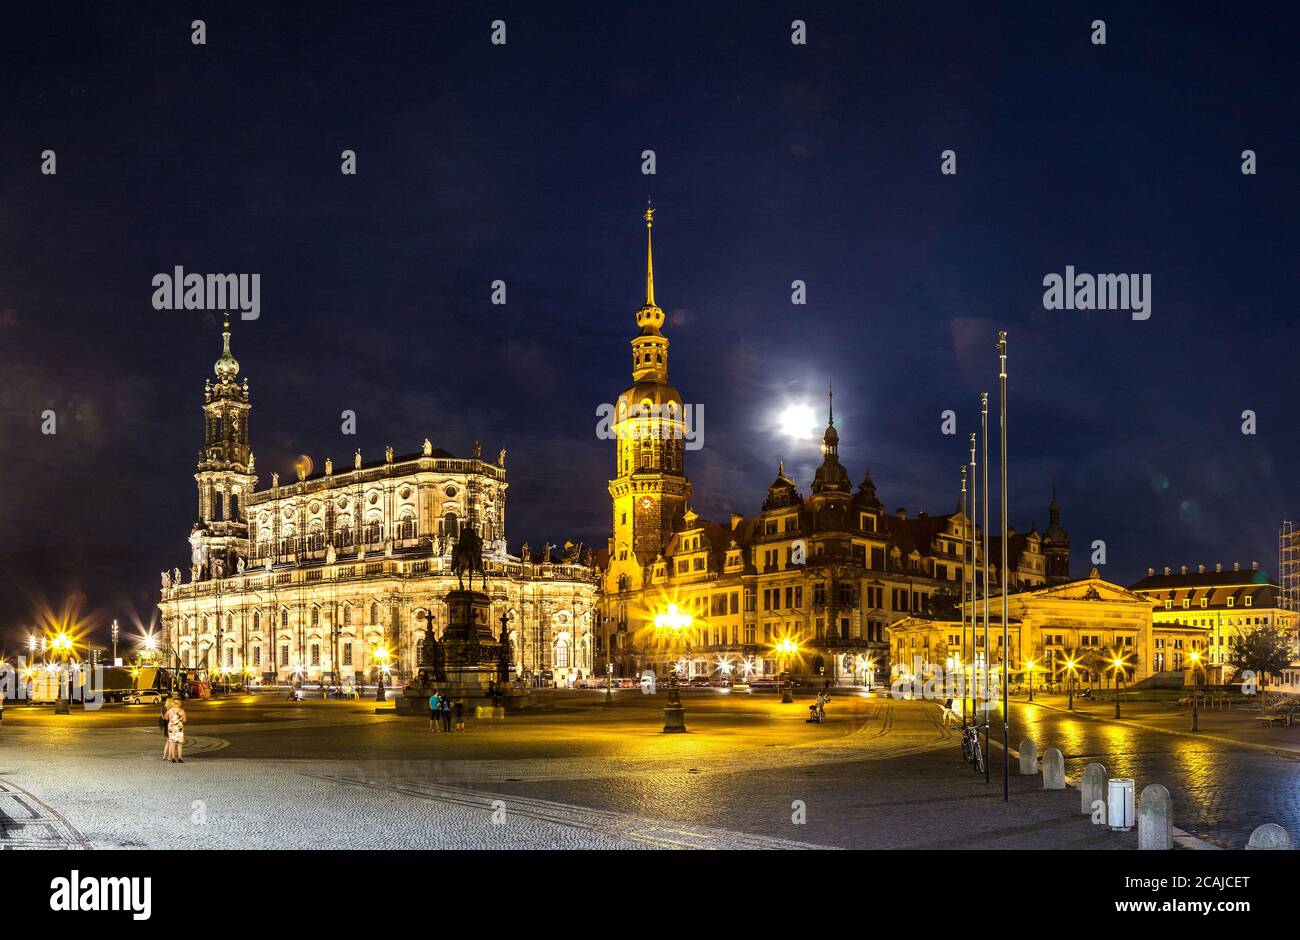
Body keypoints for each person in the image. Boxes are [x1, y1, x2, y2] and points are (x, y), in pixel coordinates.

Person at [165, 698, 187, 763]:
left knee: (172, 743)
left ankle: (173, 758)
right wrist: (180, 719)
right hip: (179, 728)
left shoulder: (169, 711)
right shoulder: (182, 710)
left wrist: (171, 719)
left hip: (171, 728)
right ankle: (180, 757)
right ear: (179, 704)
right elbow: (185, 720)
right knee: (179, 743)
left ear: (173, 703)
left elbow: (166, 718)